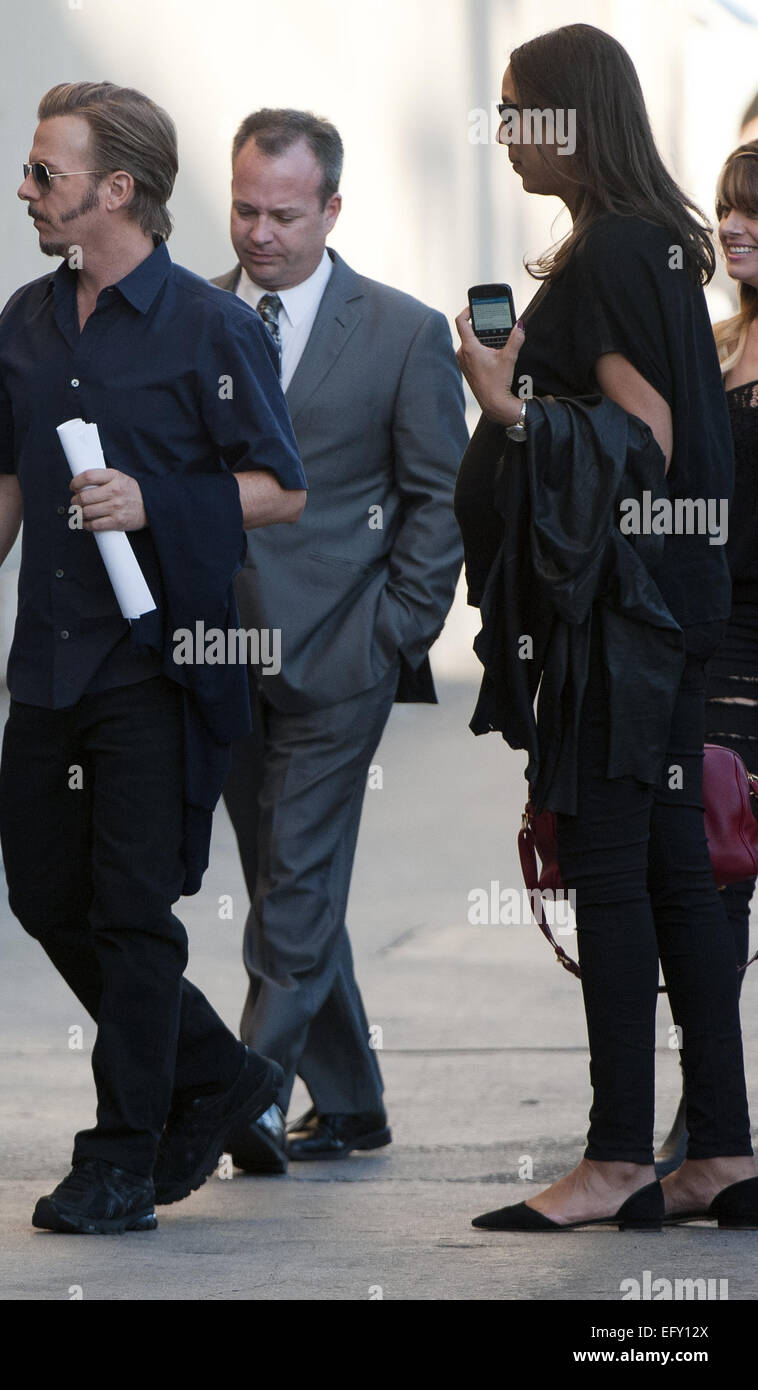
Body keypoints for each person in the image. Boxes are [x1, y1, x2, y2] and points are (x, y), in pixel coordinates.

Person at [0, 81, 307, 1234]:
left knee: (135, 913)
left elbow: (283, 488)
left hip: (160, 663)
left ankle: (122, 1155)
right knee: (48, 895)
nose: (26, 190)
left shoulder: (213, 327)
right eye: (31, 169)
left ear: (118, 191)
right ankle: (218, 1069)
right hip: (49, 662)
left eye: (47, 173)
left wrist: (157, 500)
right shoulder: (28, 322)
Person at [454, 24, 758, 1230]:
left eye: (518, 108)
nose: (505, 129)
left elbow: (651, 442)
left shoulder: (617, 255)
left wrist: (511, 412)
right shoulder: (645, 249)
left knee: (616, 873)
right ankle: (724, 1150)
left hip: (625, 632)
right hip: (661, 619)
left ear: (569, 120)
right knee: (676, 871)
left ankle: (621, 1153)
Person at [212, 109, 466, 1170]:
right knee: (284, 880)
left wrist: (396, 629)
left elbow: (440, 497)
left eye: (283, 213)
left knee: (299, 878)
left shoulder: (403, 333)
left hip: (342, 653)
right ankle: (352, 1100)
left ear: (332, 209)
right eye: (243, 209)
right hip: (215, 653)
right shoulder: (192, 312)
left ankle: (246, 1096)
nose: (259, 233)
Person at [654, 140, 758, 1168]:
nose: (733, 227)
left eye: (755, 213)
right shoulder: (715, 342)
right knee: (706, 877)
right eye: (729, 209)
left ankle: (710, 1121)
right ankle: (712, 1112)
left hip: (751, 656)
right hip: (702, 642)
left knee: (714, 874)